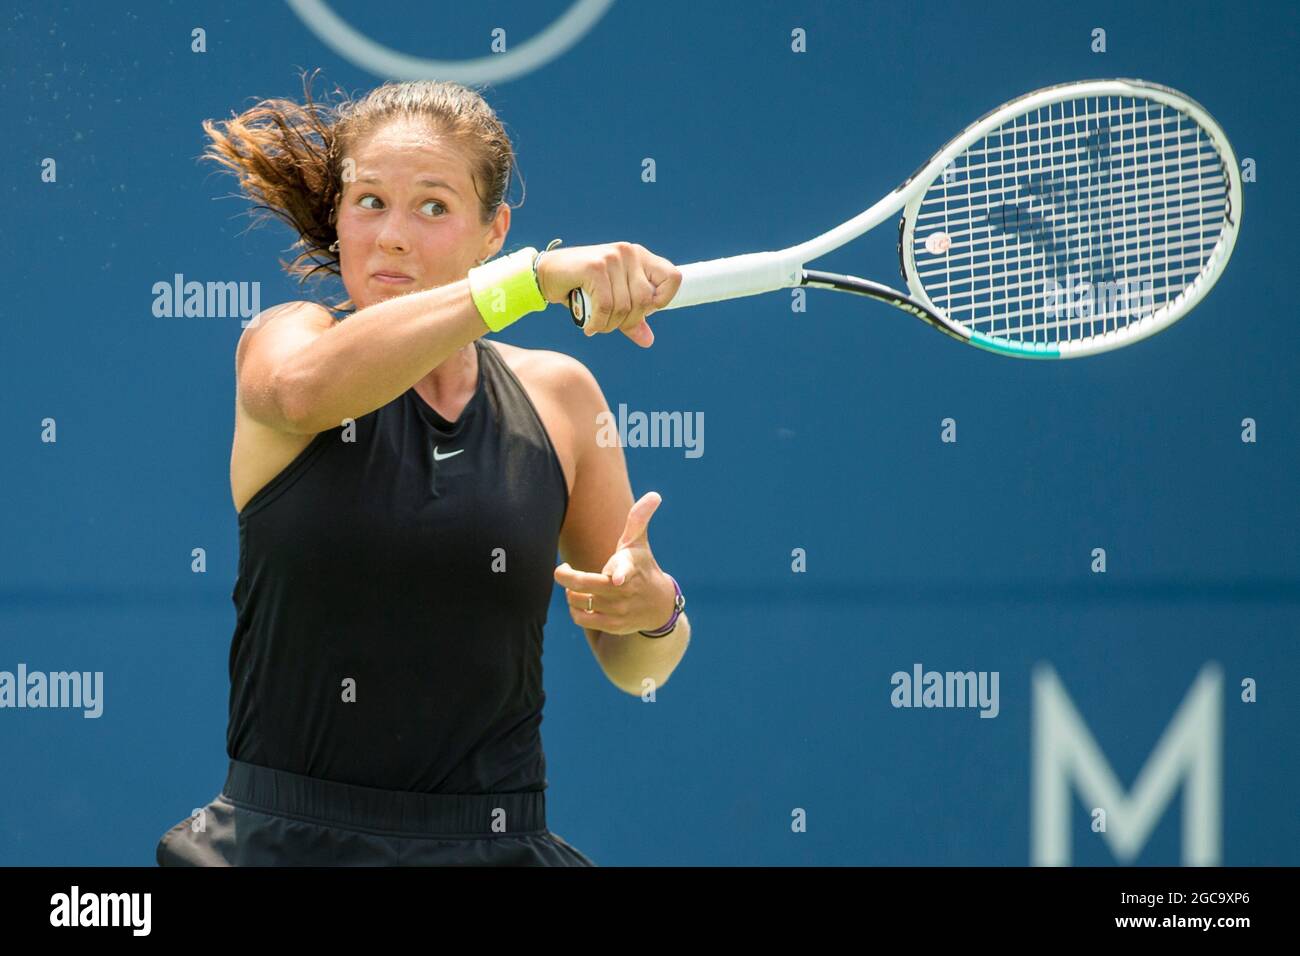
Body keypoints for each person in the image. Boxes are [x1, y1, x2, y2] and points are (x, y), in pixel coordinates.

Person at [155, 75, 691, 866]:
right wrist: (529, 282)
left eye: (434, 206)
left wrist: (651, 612)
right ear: (338, 217)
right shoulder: (285, 343)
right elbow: (306, 393)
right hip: (279, 848)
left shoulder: (563, 397)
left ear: (492, 231)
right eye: (369, 201)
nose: (393, 235)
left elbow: (637, 666)